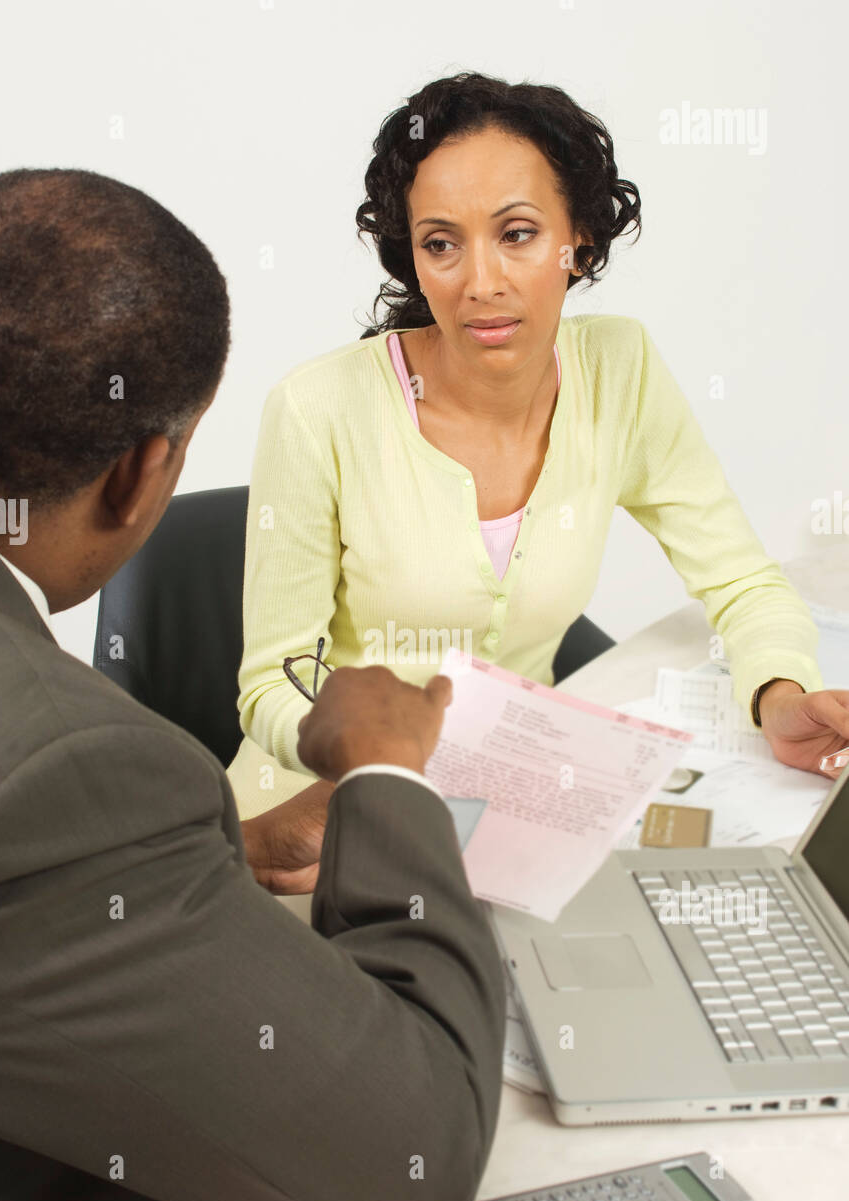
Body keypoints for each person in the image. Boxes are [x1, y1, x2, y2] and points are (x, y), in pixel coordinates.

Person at [0, 168, 506, 1201]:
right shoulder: (68, 774)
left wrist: (211, 846)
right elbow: (419, 1144)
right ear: (141, 471)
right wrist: (385, 771)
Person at [237, 71, 849, 792]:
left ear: (578, 241)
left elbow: (741, 581)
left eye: (517, 234)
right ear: (414, 259)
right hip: (321, 811)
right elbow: (270, 688)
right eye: (441, 244)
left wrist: (777, 695)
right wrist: (375, 758)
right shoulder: (317, 409)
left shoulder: (619, 369)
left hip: (510, 803)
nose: (481, 281)